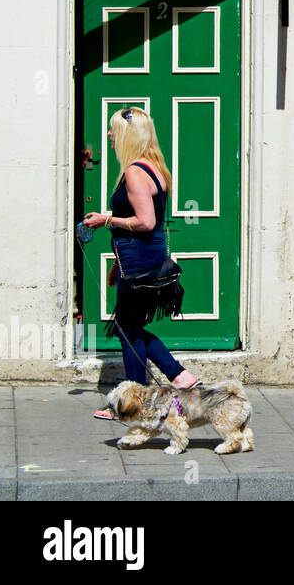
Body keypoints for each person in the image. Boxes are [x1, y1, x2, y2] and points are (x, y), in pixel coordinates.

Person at [83, 107, 198, 420]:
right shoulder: (152, 167)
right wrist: (118, 264)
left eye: (112, 130)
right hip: (138, 258)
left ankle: (137, 400)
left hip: (139, 259)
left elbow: (146, 222)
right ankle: (178, 379)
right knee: (129, 327)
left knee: (127, 328)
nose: (108, 135)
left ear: (127, 135)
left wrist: (106, 219)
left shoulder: (134, 172)